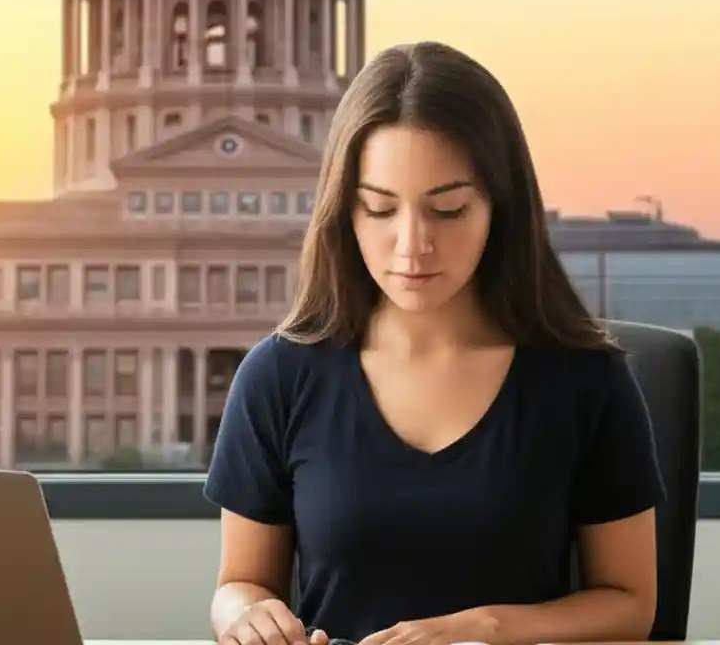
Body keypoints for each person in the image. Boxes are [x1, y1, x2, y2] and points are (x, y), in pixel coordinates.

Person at [203, 42, 666, 645]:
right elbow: (240, 584)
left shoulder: (585, 380)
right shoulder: (278, 375)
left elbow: (631, 606)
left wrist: (484, 628)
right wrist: (245, 616)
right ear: (345, 213)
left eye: (447, 210)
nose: (411, 245)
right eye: (380, 210)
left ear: (499, 207)